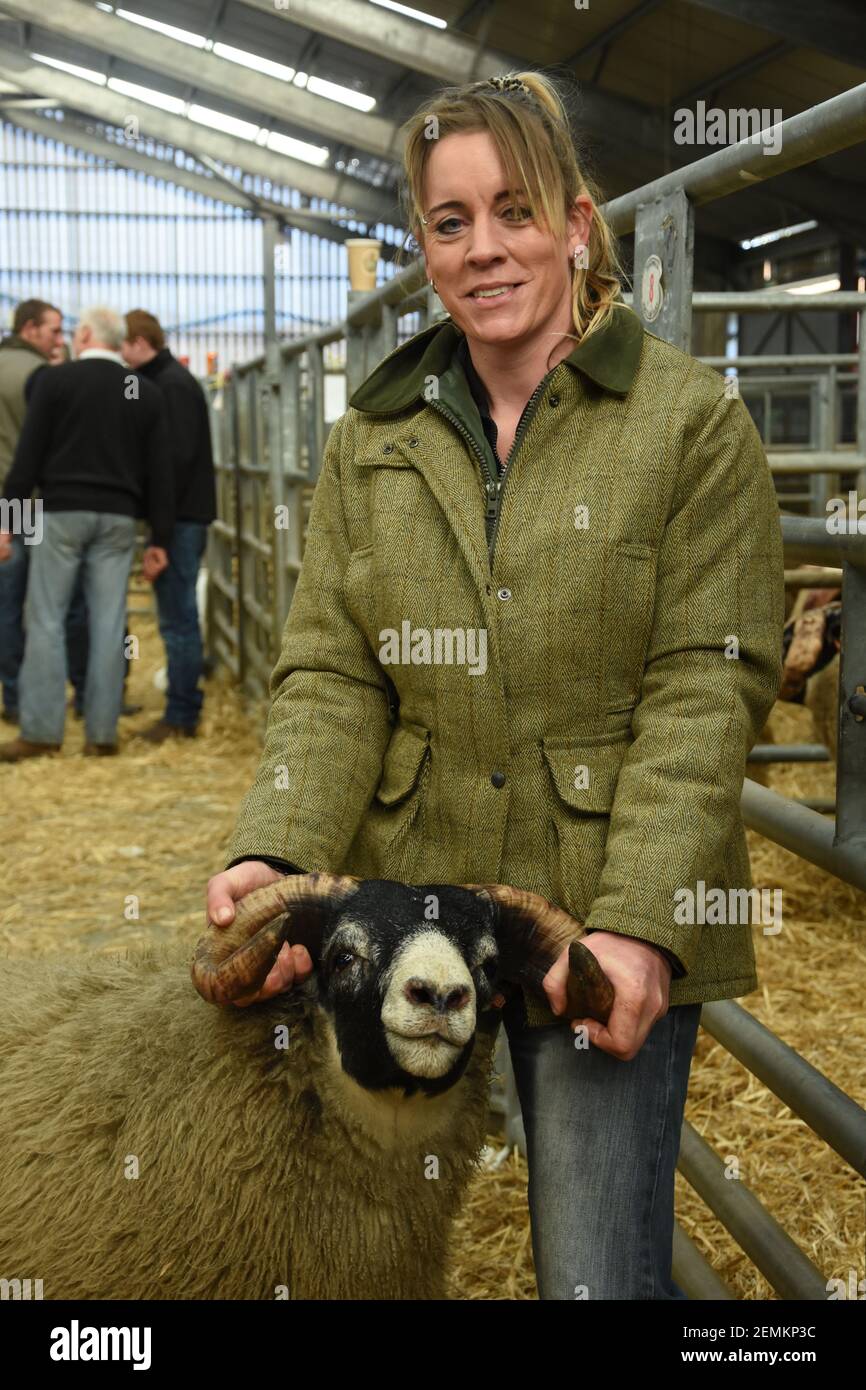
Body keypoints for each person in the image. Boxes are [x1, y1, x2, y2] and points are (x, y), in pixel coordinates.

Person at [204, 71, 785, 1299]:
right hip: (418, 910)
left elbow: (705, 683)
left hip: (594, 914)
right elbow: (330, 668)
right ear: (421, 246)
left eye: (512, 211)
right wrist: (276, 844)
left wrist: (634, 927)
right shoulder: (375, 435)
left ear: (576, 223)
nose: (482, 250)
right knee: (367, 1245)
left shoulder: (684, 424)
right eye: (449, 222)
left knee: (589, 1267)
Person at [0, 305, 174, 760]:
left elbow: (26, 462)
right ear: (117, 342)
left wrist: (8, 526)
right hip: (118, 520)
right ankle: (101, 734)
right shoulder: (144, 392)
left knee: (46, 619)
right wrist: (159, 540)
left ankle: (40, 732)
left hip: (59, 515)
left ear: (84, 337)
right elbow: (160, 472)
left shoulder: (54, 382)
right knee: (108, 622)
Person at [122, 309, 216, 740]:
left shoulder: (169, 387)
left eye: (123, 345)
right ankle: (182, 707)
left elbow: (172, 462)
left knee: (177, 618)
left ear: (140, 343)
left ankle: (181, 714)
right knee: (176, 615)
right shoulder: (169, 383)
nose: (121, 357)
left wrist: (158, 528)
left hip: (178, 517)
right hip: (179, 516)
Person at [0, 299, 88, 722]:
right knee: (52, 603)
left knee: (8, 604)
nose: (60, 339)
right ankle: (71, 693)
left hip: (6, 507)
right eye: (54, 331)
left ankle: (15, 699)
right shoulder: (38, 378)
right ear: (31, 329)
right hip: (28, 503)